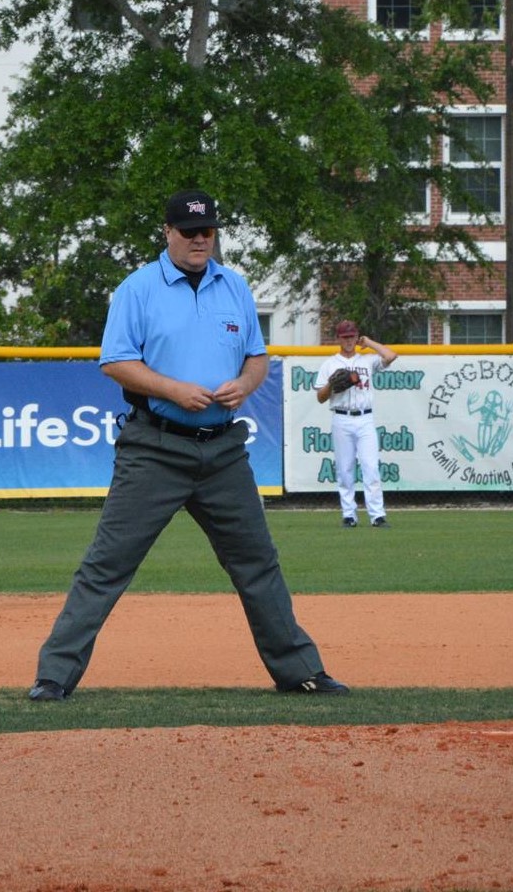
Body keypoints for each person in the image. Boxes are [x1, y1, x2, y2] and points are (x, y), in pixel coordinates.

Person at [27, 189, 348, 701]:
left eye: (208, 231)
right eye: (189, 231)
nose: (200, 239)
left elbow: (256, 358)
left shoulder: (234, 286)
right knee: (107, 565)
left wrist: (245, 385)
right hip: (155, 447)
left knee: (257, 562)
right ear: (168, 232)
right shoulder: (138, 288)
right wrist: (174, 389)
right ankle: (54, 676)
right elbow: (115, 362)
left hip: (223, 451)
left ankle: (300, 672)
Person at [317, 320, 398, 527]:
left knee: (371, 467)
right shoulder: (329, 364)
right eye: (345, 337)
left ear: (357, 337)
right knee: (345, 470)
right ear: (338, 339)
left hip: (365, 418)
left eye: (352, 336)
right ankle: (349, 515)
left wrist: (369, 342)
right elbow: (320, 397)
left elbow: (391, 356)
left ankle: (377, 515)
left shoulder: (368, 360)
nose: (349, 340)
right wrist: (332, 384)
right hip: (341, 417)